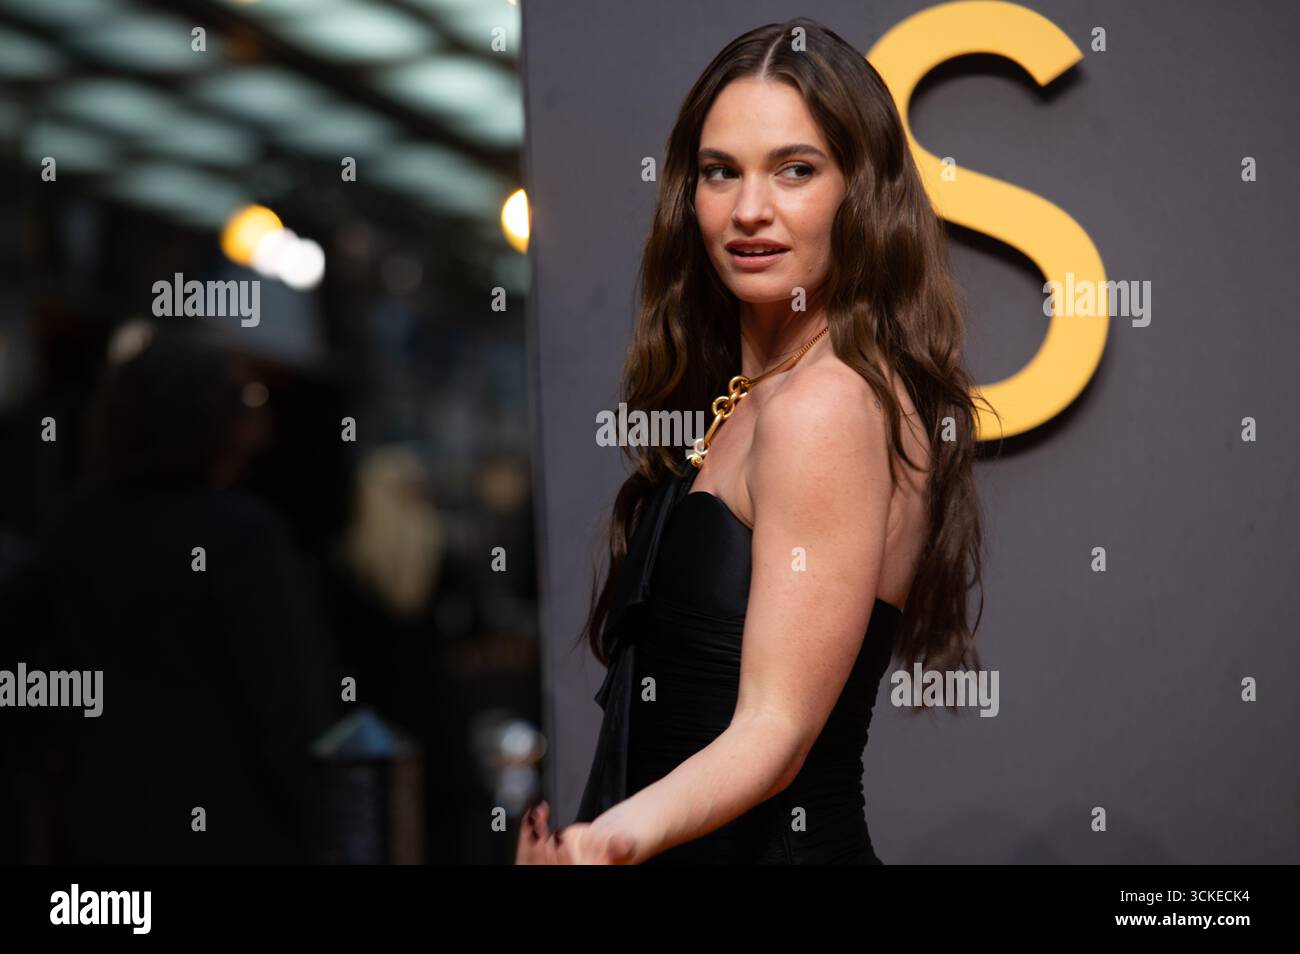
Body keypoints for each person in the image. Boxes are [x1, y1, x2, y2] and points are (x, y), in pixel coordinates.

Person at [518, 17, 988, 865]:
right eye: (719, 173)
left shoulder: (830, 402)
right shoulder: (749, 397)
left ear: (861, 190)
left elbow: (775, 731)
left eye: (795, 170)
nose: (749, 210)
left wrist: (603, 844)